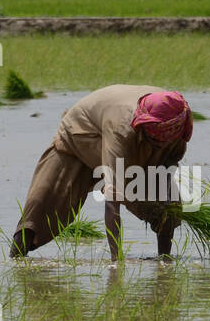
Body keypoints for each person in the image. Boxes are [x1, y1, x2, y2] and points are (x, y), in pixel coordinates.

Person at [11, 85, 193, 260]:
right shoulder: (122, 129)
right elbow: (112, 202)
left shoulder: (177, 121)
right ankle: (16, 258)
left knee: (167, 206)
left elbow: (166, 169)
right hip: (79, 135)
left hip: (137, 141)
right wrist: (117, 261)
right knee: (42, 200)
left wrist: (165, 200)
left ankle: (164, 258)